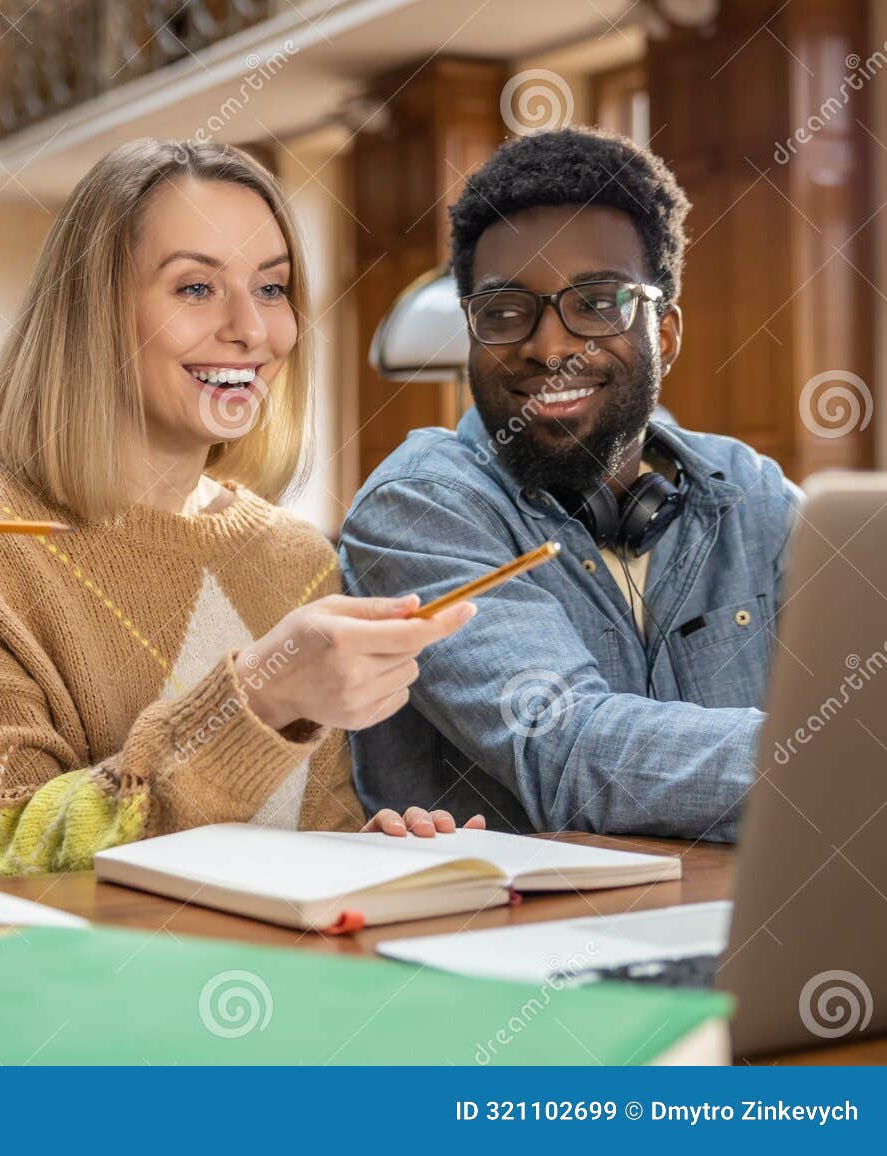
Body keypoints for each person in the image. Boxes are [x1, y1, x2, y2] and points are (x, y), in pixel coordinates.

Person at [0, 139, 481, 877]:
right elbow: (7, 851)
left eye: (271, 288)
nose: (252, 331)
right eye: (196, 288)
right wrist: (253, 696)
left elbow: (300, 829)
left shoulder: (297, 558)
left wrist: (356, 853)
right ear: (92, 313)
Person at [342, 127, 800, 841]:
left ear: (667, 334)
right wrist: (833, 759)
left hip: (751, 930)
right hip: (500, 945)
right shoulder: (419, 509)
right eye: (503, 311)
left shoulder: (751, 492)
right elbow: (568, 751)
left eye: (596, 303)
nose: (549, 347)